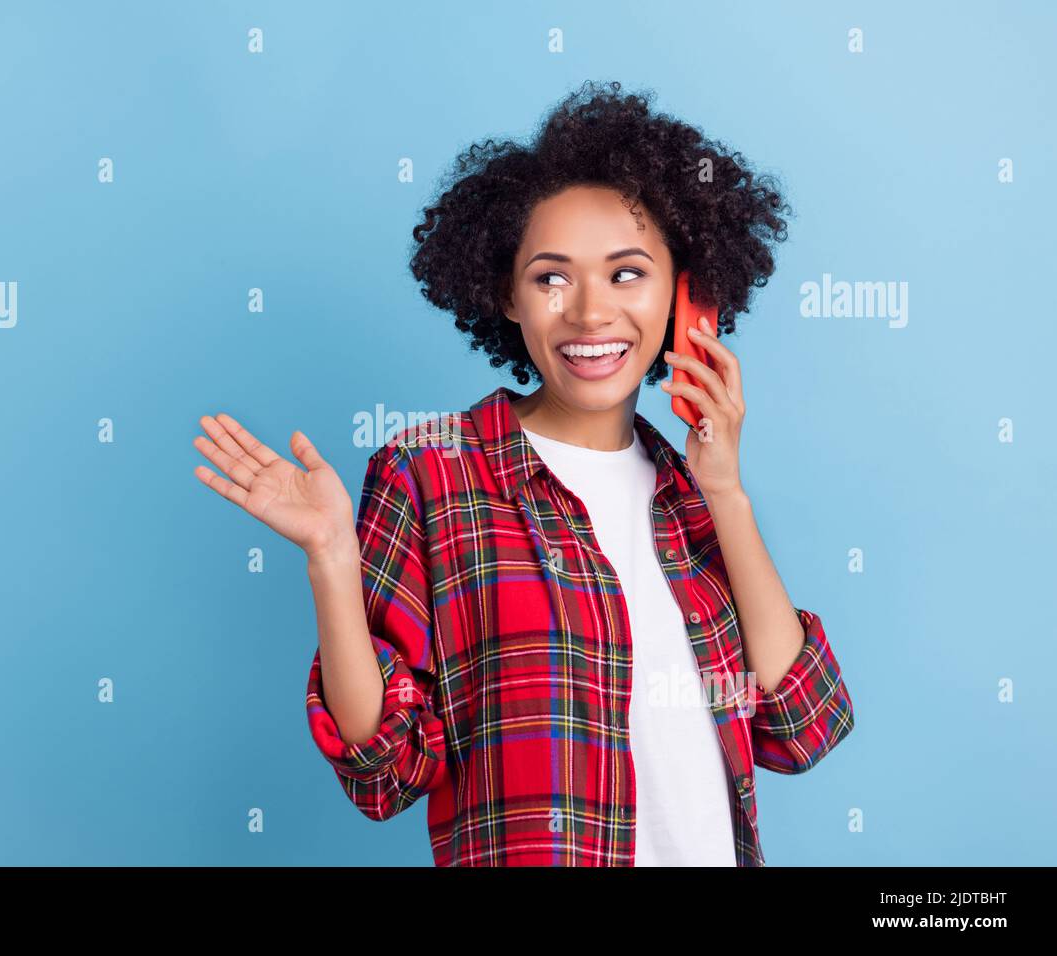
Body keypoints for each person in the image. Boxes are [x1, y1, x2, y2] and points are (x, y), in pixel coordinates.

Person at [193, 81, 855, 866]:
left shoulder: (690, 494)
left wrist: (726, 492)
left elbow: (800, 723)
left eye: (627, 274)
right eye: (551, 278)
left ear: (685, 290)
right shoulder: (429, 473)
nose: (588, 314)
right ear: (507, 293)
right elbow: (386, 772)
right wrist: (333, 559)